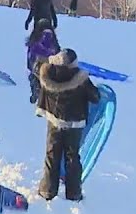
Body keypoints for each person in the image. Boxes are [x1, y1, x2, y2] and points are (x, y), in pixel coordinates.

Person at [35, 48, 100, 202]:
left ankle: (47, 191)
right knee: (72, 158)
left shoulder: (47, 74)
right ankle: (73, 193)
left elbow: (37, 63)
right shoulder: (81, 79)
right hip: (74, 124)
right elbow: (95, 97)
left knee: (52, 156)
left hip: (54, 121)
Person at [26, 22, 61, 104]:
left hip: (37, 66)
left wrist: (30, 67)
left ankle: (36, 89)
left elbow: (30, 56)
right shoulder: (53, 41)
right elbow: (59, 54)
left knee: (33, 77)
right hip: (50, 66)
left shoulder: (35, 40)